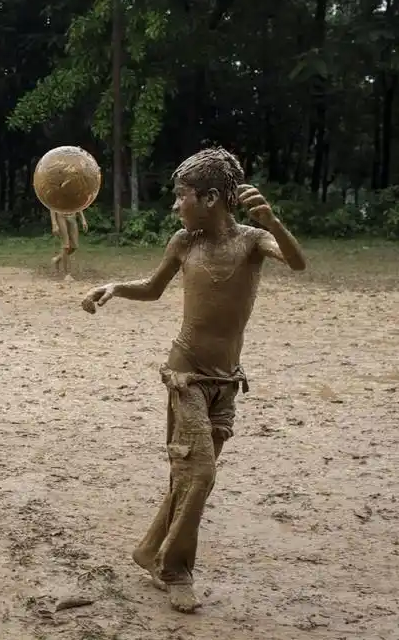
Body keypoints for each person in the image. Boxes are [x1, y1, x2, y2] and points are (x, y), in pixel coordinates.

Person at [81, 147, 306, 614]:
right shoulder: (183, 243)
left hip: (227, 382)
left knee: (189, 479)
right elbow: (153, 288)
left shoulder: (253, 241)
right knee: (199, 474)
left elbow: (296, 262)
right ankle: (175, 570)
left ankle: (149, 548)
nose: (175, 205)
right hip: (186, 375)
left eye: (181, 195)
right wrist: (115, 287)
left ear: (210, 199)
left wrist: (272, 221)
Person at [50, 208, 88, 281]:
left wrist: (83, 219)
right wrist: (54, 223)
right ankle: (67, 274)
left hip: (72, 215)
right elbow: (52, 207)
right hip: (60, 215)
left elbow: (78, 204)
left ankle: (58, 258)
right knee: (66, 246)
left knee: (74, 246)